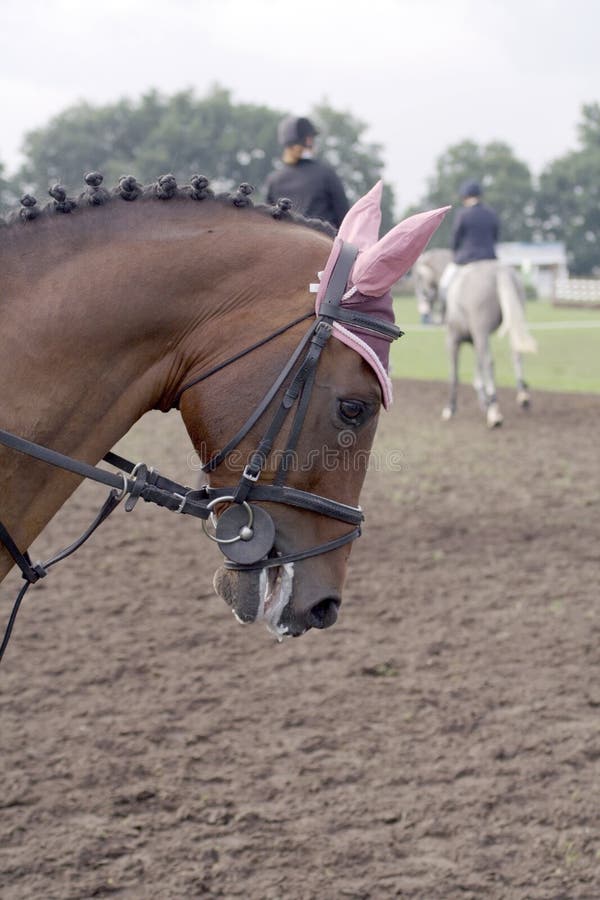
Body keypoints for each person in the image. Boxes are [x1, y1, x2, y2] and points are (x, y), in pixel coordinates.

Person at [264, 115, 350, 229]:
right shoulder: (326, 174)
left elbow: (268, 222)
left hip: (285, 244)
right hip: (322, 243)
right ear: (309, 140)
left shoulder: (273, 180)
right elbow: (345, 219)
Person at [438, 179, 500, 313]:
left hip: (467, 258)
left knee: (444, 284)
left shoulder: (463, 214)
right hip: (490, 258)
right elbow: (495, 236)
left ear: (465, 197)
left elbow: (456, 238)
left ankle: (444, 314)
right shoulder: (491, 213)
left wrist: (454, 252)